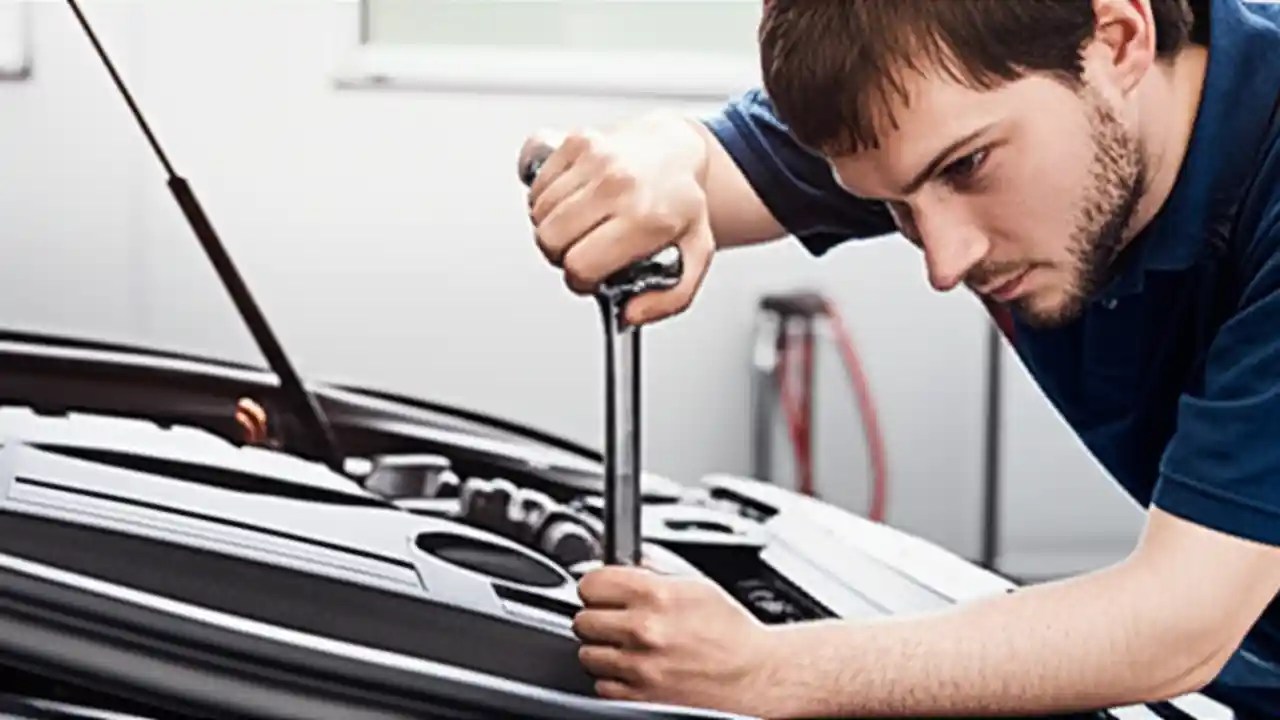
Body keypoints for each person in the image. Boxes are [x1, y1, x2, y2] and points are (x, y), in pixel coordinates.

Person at [519, 0, 1280, 717]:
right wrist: (650, 159)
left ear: (1118, 38)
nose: (946, 261)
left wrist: (765, 671)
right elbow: (711, 166)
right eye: (896, 208)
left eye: (968, 168)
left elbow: (1180, 622)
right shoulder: (941, 106)